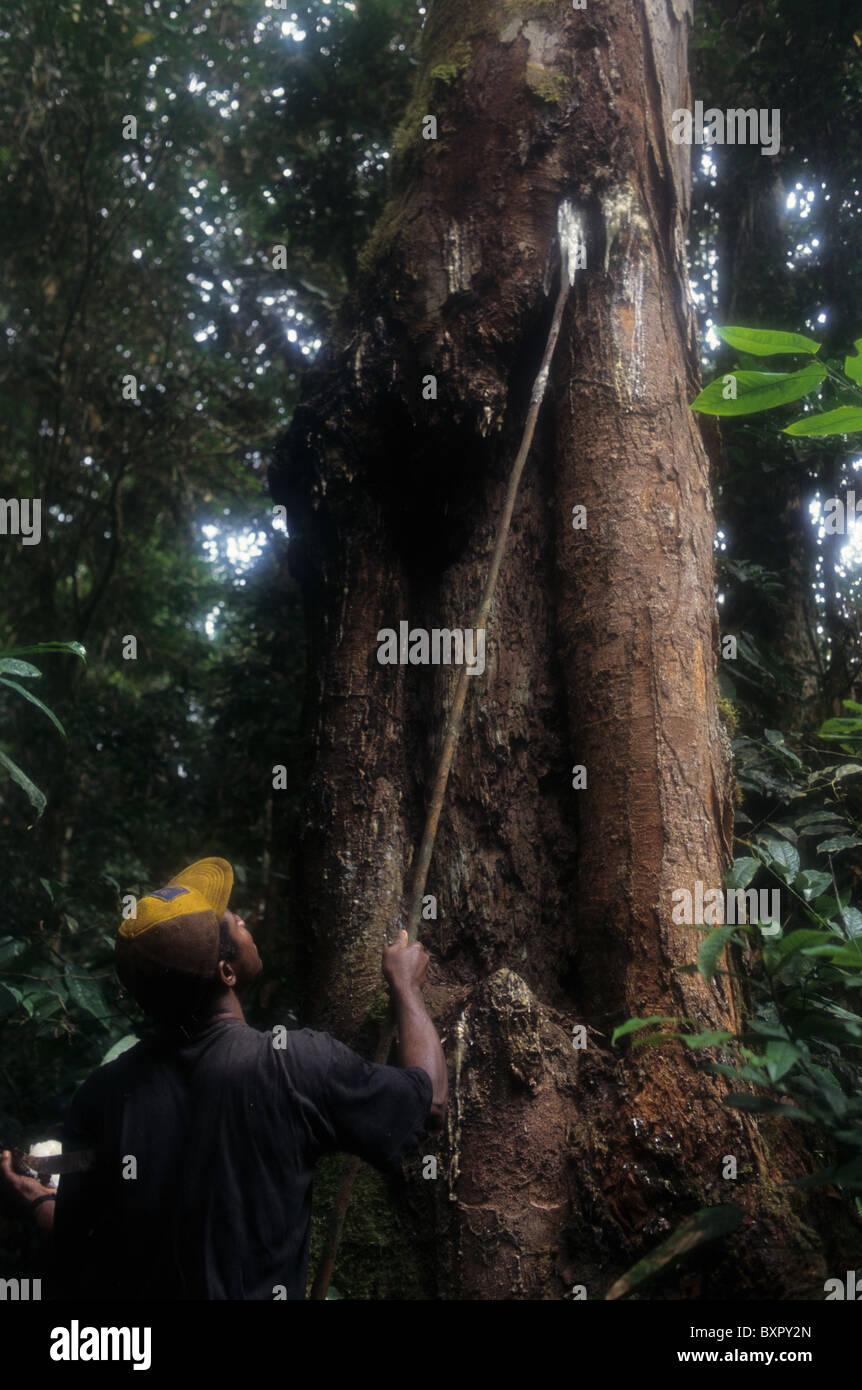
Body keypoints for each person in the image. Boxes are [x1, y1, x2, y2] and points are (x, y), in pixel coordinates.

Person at [0, 857, 447, 1299]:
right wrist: (406, 986)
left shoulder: (101, 1096)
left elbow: (75, 1247)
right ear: (226, 972)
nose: (242, 917)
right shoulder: (294, 1065)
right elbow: (427, 1102)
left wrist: (37, 1198)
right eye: (232, 921)